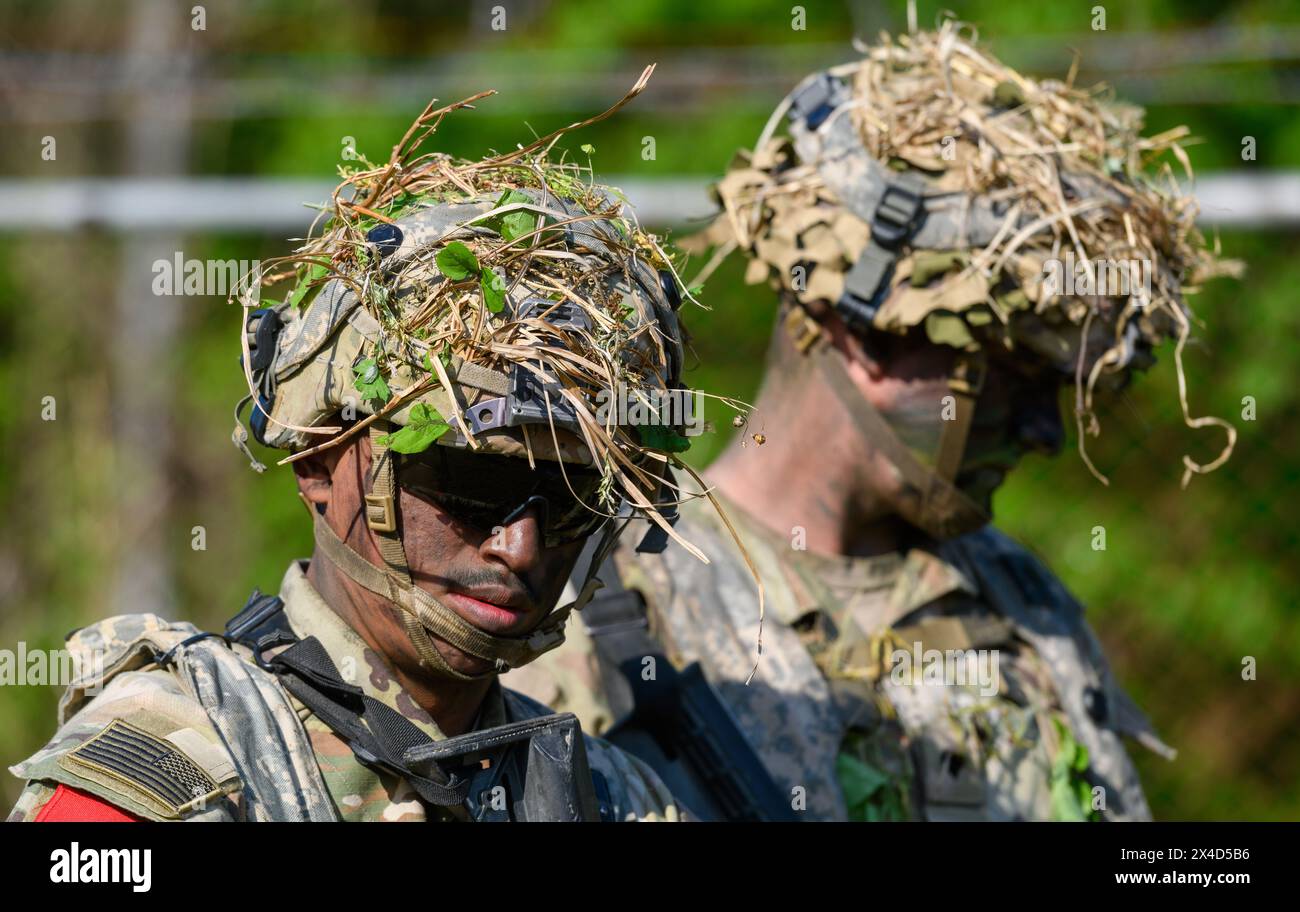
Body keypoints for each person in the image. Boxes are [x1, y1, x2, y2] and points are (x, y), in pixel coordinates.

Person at [510, 24, 1238, 821]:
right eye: (1007, 380)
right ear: (859, 328)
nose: (1043, 433)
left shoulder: (1018, 609)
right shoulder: (599, 603)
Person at [8, 91, 693, 822]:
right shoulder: (171, 772)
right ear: (319, 459)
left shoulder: (618, 799)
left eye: (572, 498)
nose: (521, 547)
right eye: (471, 479)